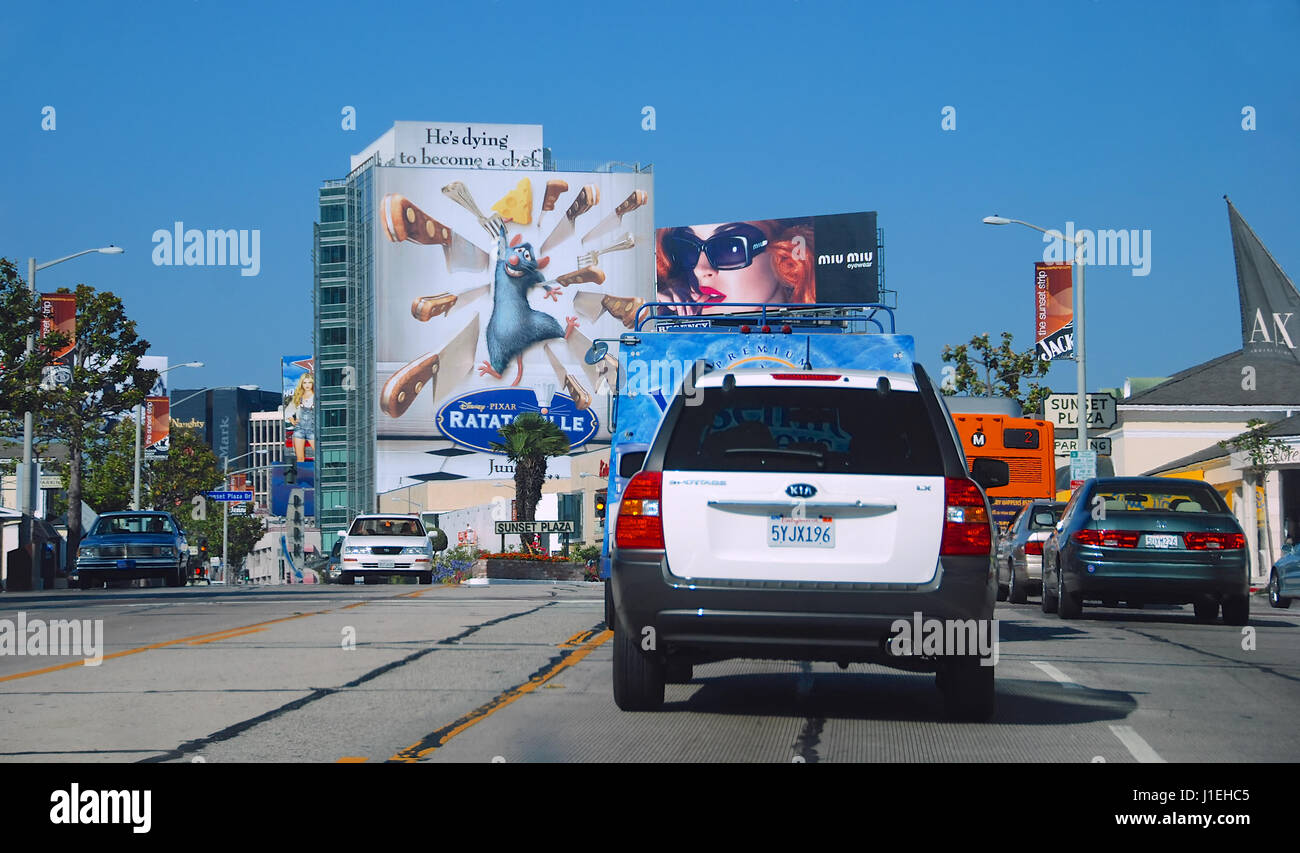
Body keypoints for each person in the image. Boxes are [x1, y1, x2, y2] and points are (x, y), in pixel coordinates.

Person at [656, 220, 816, 316]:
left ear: (786, 253)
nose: (700, 269)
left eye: (729, 248)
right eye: (687, 249)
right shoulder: (675, 343)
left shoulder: (823, 341)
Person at [285, 372, 316, 464]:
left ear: (313, 383)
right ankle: (302, 476)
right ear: (301, 384)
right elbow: (287, 412)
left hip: (313, 429)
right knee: (300, 458)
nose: (307, 385)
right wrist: (292, 421)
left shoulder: (317, 397)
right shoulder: (298, 398)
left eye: (309, 382)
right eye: (305, 382)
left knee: (319, 455)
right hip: (299, 430)